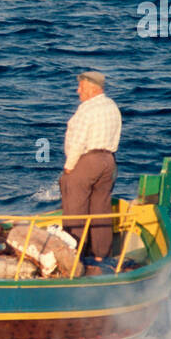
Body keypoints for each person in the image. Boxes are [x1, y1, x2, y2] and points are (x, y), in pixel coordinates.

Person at [58, 70, 121, 262]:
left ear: (93, 89)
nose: (78, 91)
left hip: (87, 160)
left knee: (74, 209)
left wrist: (69, 167)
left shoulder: (87, 109)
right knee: (101, 209)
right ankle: (102, 256)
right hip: (108, 161)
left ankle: (75, 255)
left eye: (82, 87)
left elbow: (78, 141)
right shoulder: (112, 106)